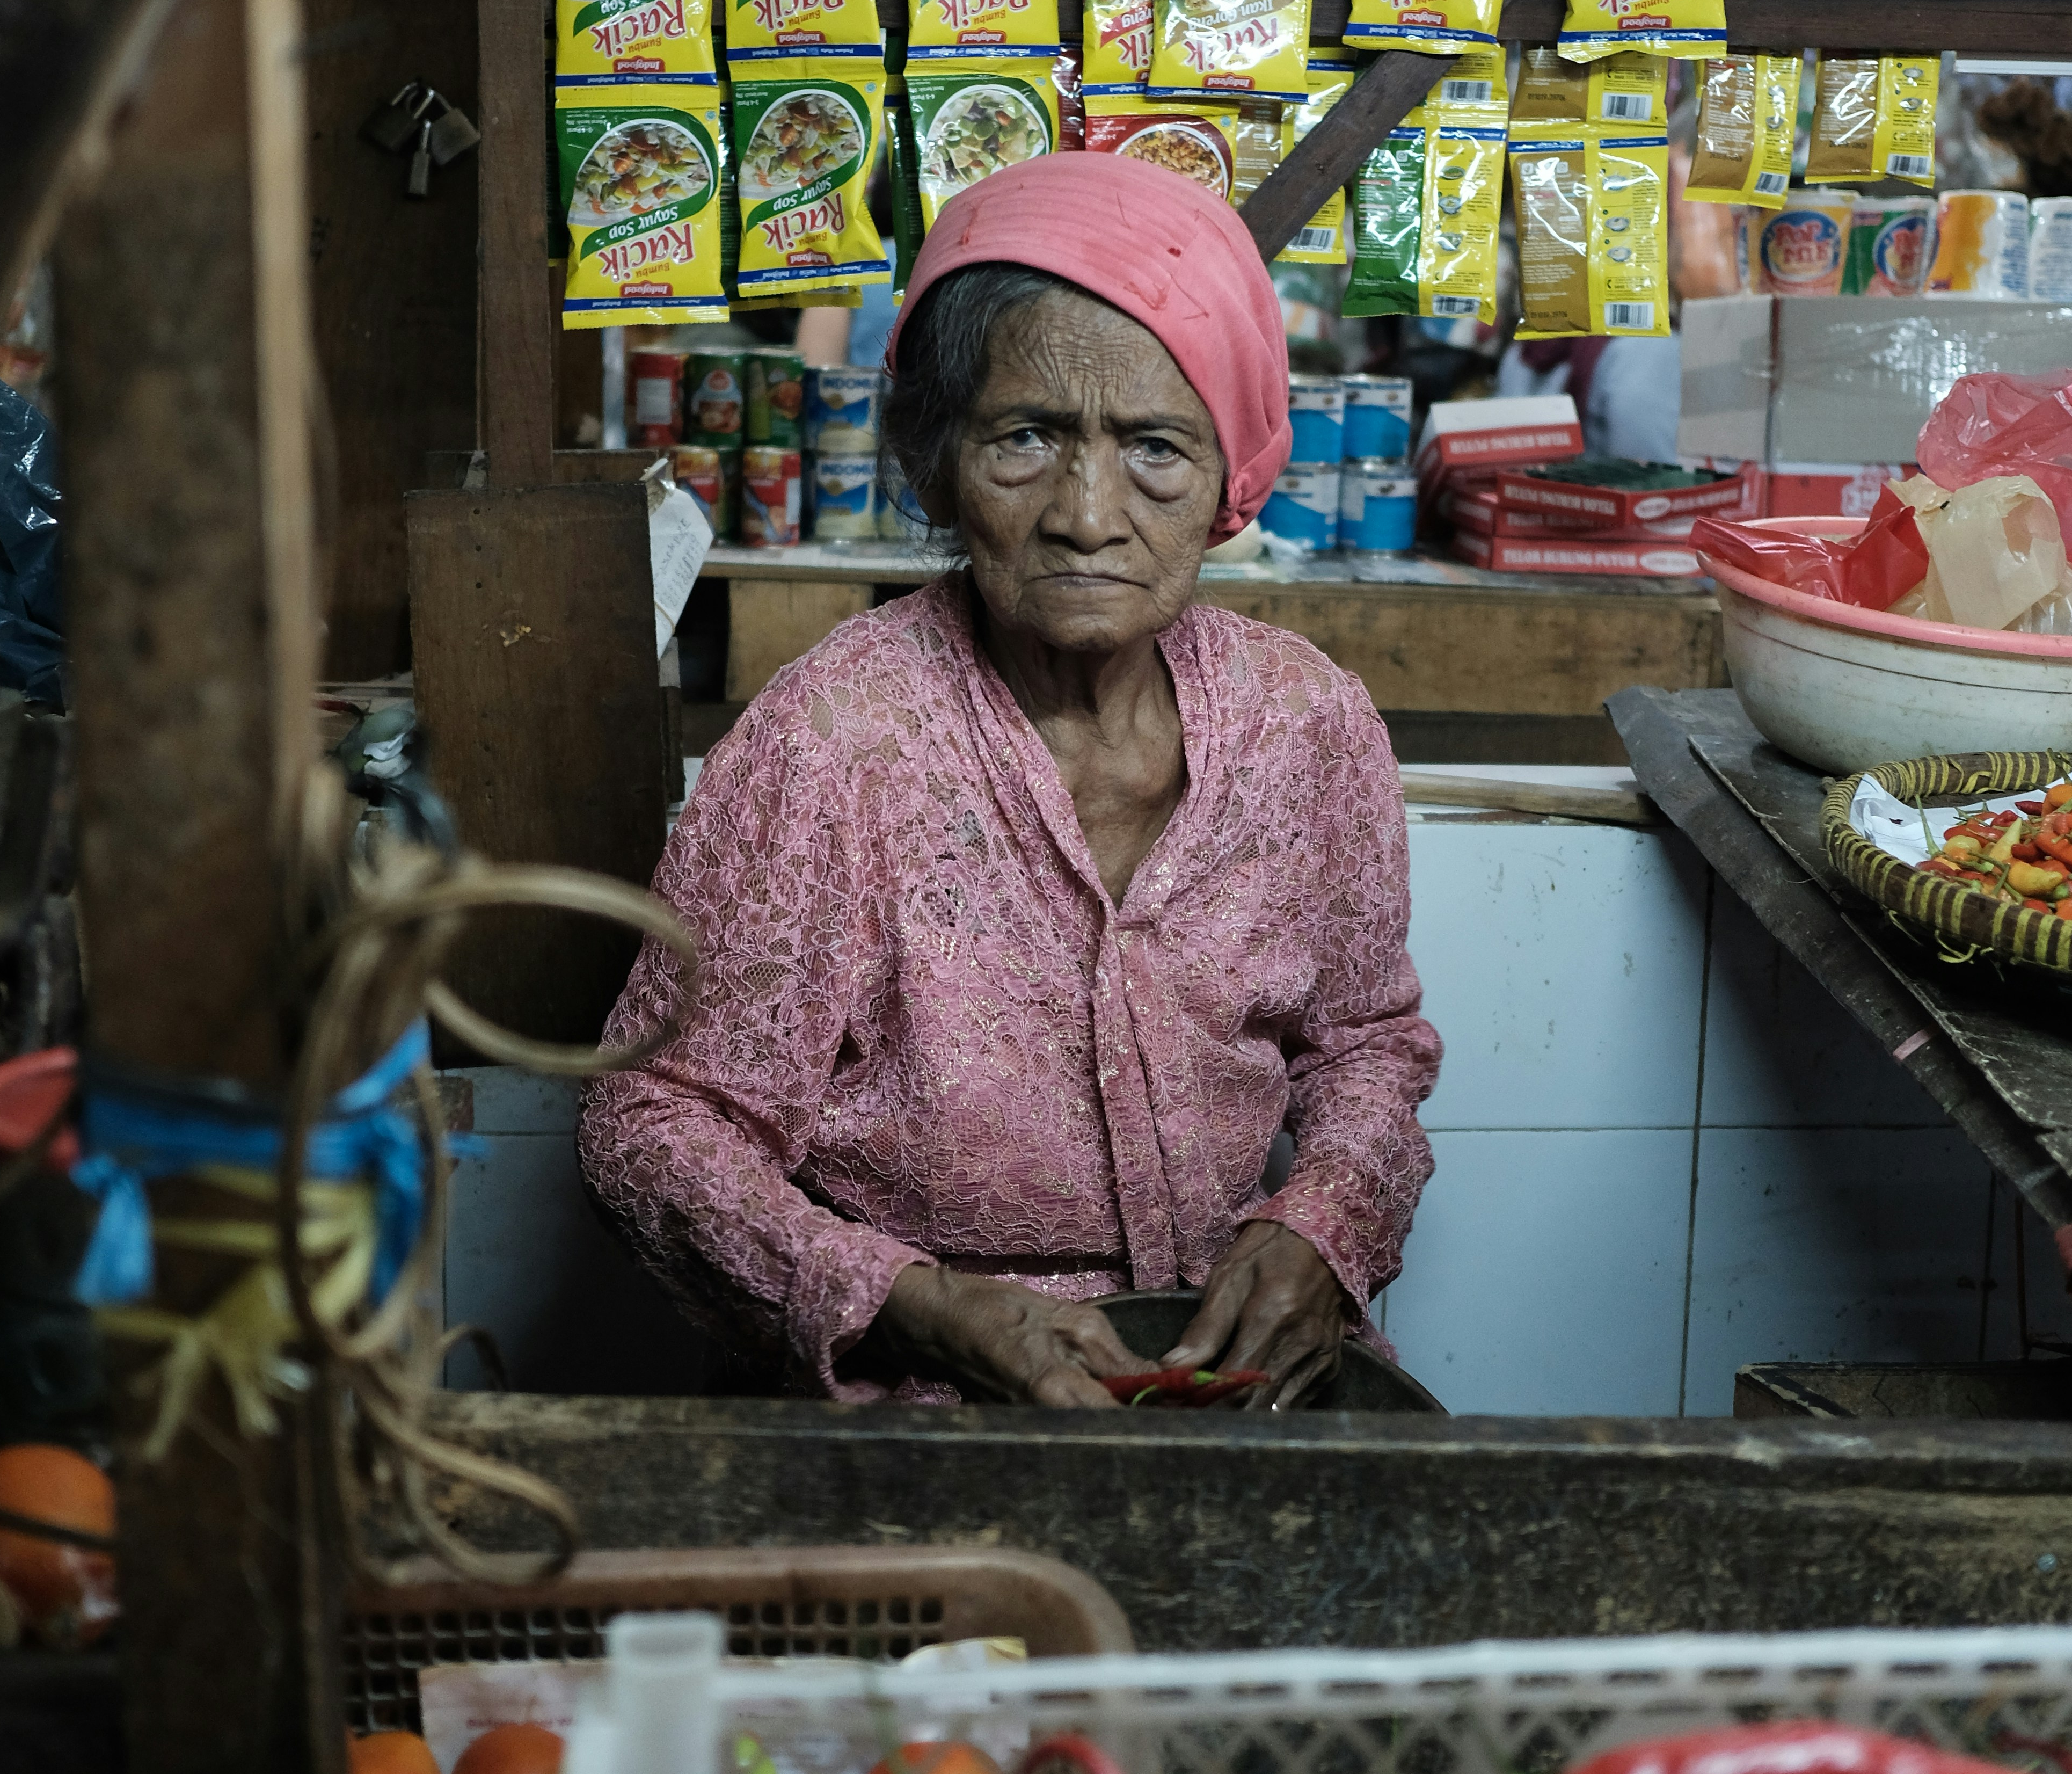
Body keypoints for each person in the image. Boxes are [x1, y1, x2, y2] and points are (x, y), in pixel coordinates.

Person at [581, 150, 1441, 1409]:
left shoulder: (1305, 726)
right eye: (1023, 440)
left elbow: (1365, 1047)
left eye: (1154, 447)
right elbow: (647, 1126)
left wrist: (1324, 1224)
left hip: (1234, 1377)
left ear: (1229, 475)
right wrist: (914, 1309)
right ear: (936, 463)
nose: (1087, 515)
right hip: (930, 1403)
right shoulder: (835, 744)